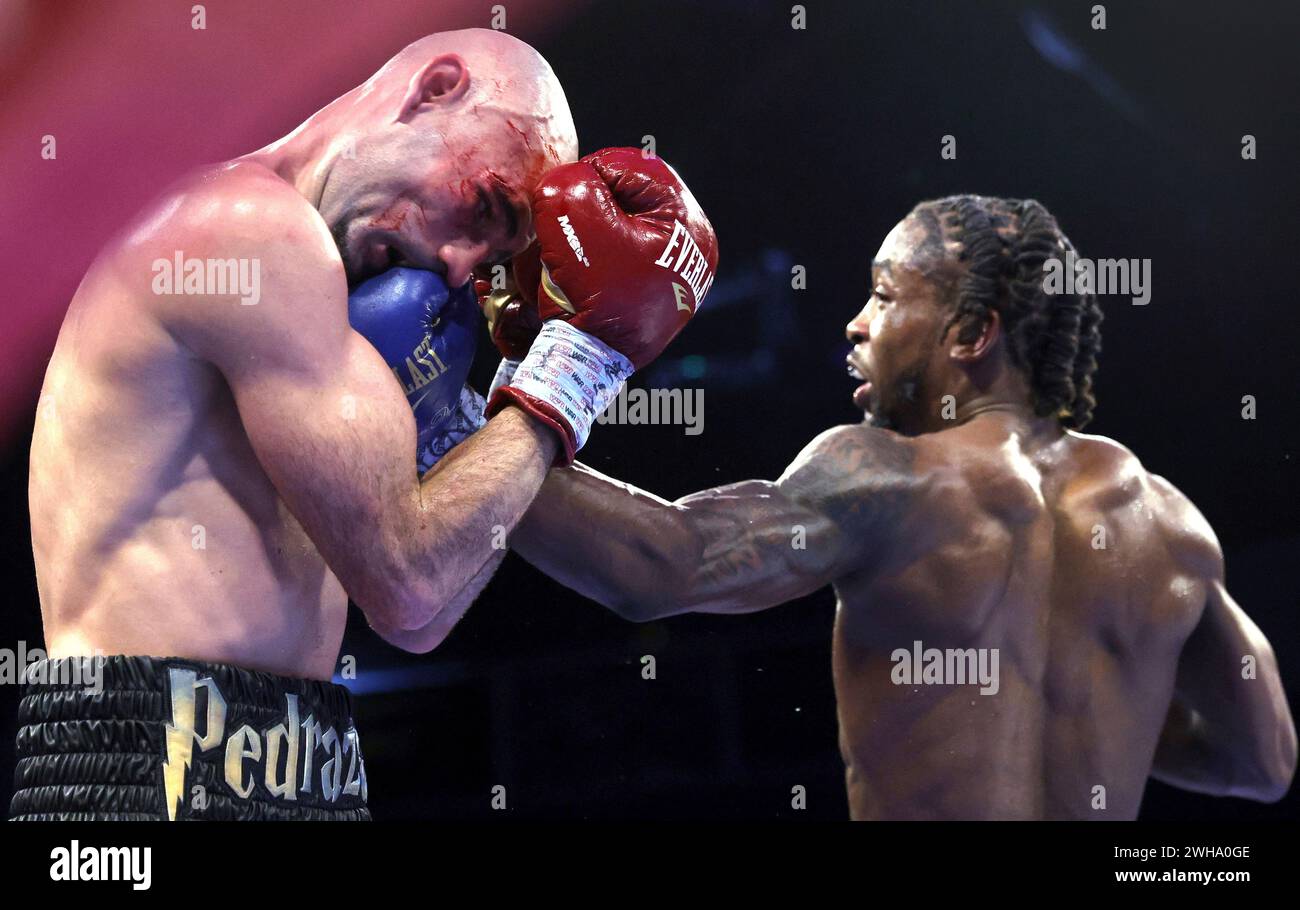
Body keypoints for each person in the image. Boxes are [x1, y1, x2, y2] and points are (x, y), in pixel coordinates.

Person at [14, 28, 718, 820]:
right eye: (484, 206)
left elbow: (433, 607)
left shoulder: (334, 307)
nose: (460, 267)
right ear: (437, 88)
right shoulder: (245, 229)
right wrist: (578, 368)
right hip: (153, 770)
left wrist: (503, 388)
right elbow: (410, 588)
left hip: (300, 764)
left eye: (490, 257)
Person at [493, 195, 1296, 819]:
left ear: (971, 332)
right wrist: (1106, 703)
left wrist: (479, 430)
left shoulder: (885, 476)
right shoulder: (1168, 523)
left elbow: (662, 565)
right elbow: (1263, 763)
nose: (856, 324)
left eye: (883, 296)